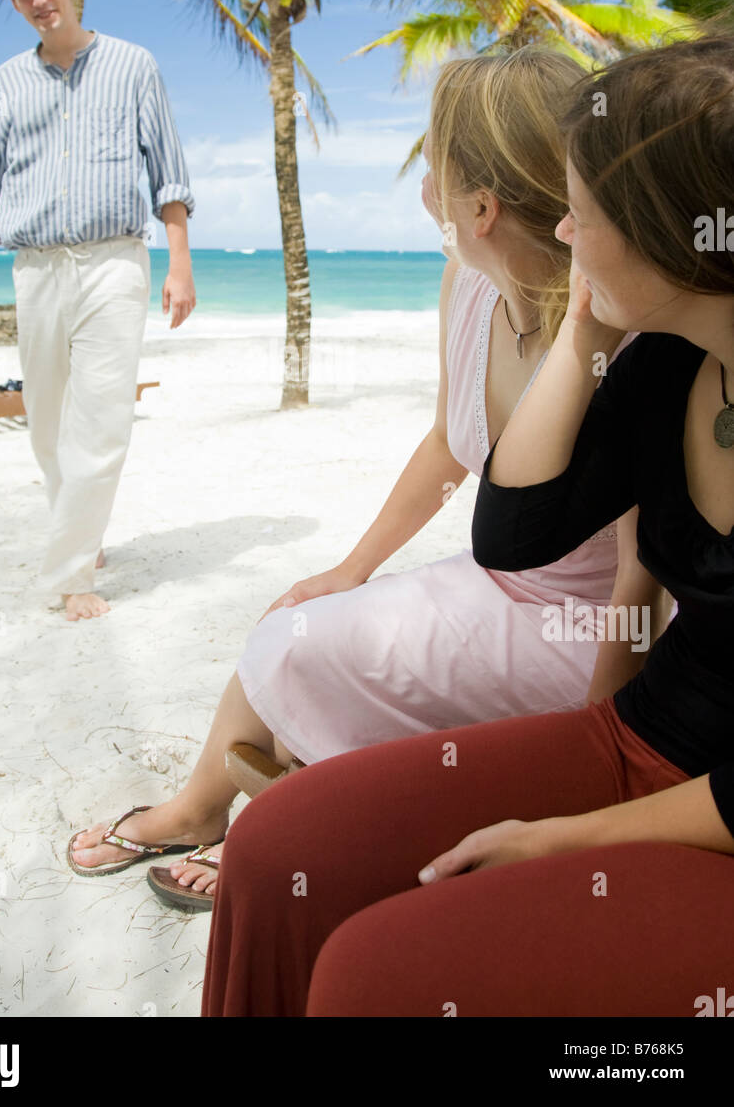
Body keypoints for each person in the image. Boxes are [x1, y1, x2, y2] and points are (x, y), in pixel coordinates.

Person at [200, 33, 734, 1017]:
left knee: (370, 978)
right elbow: (513, 528)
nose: (562, 232)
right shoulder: (671, 360)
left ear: (674, 233)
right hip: (648, 737)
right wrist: (579, 331)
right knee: (277, 853)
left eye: (585, 211)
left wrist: (565, 835)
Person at [68, 49, 662, 899]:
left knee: (301, 644)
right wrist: (351, 568)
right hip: (497, 586)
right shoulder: (469, 281)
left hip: (581, 630)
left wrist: (603, 740)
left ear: (481, 206)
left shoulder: (620, 331)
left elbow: (642, 572)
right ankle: (206, 803)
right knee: (305, 615)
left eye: (433, 161)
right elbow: (447, 448)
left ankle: (279, 823)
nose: (421, 179)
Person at [0, 0, 196, 622]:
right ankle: (82, 535)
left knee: (99, 419)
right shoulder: (6, 82)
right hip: (33, 270)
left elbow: (169, 174)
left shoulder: (133, 65)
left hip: (114, 263)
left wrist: (180, 263)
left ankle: (72, 576)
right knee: (47, 425)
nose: (38, 0)